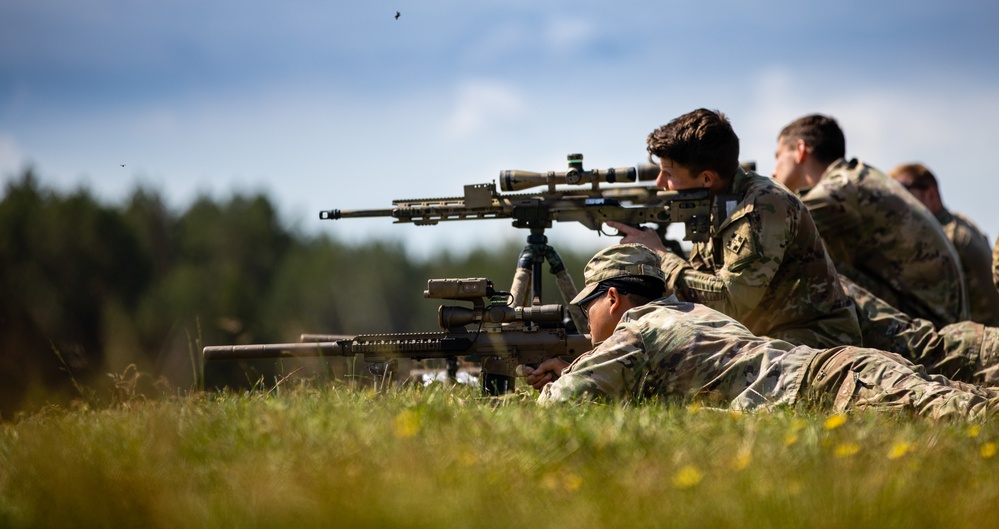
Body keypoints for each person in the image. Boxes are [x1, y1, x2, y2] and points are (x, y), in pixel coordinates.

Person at [524, 244, 999, 421]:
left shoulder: (638, 332)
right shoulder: (689, 310)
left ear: (613, 298)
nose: (587, 321)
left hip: (834, 385)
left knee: (974, 419)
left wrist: (559, 378)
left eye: (589, 305)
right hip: (843, 372)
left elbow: (559, 407)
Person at [609, 108, 861, 349]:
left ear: (707, 178)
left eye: (668, 173)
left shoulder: (762, 205)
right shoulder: (715, 204)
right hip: (771, 336)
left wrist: (662, 257)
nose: (660, 183)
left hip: (816, 342)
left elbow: (730, 304)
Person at [772, 114, 967, 328]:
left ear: (800, 150)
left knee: (806, 260)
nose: (773, 170)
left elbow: (771, 225)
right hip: (932, 313)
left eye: (778, 156)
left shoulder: (842, 188)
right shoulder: (857, 176)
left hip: (926, 323)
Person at [887, 163, 999, 326]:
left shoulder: (940, 239)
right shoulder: (960, 223)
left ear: (931, 195)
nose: (895, 202)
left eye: (902, 191)